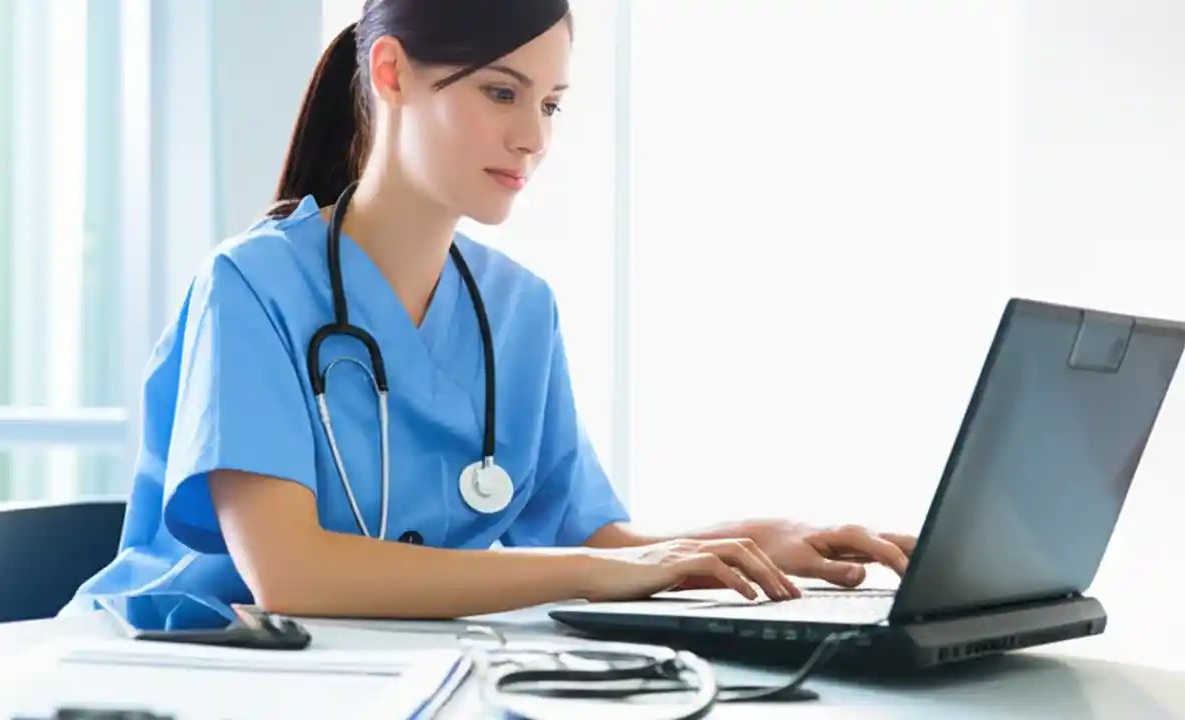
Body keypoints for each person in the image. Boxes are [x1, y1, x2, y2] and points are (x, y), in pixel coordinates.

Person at [68, 0, 915, 623]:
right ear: (391, 73)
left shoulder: (519, 310)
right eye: (502, 94)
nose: (535, 139)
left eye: (550, 104)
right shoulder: (251, 285)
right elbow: (291, 575)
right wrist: (587, 571)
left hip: (381, 669)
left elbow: (603, 542)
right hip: (180, 671)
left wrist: (771, 537)